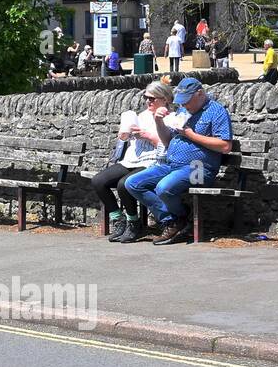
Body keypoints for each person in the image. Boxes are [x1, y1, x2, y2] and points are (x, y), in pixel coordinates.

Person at [124, 76, 233, 245]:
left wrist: (192, 135)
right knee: (133, 183)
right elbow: (167, 141)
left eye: (188, 100)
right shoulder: (183, 110)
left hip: (199, 169)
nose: (185, 105)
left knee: (163, 187)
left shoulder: (217, 112)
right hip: (172, 164)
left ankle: (179, 218)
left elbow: (225, 146)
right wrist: (158, 121)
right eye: (182, 101)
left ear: (200, 94)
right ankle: (174, 220)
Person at [91, 81, 181, 243]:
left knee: (124, 184)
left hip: (153, 160)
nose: (148, 102)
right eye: (146, 97)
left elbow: (168, 147)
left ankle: (134, 222)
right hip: (131, 159)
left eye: (152, 99)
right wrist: (124, 135)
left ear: (165, 99)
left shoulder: (171, 118)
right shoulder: (140, 116)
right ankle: (118, 220)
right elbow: (126, 139)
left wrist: (147, 136)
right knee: (99, 181)